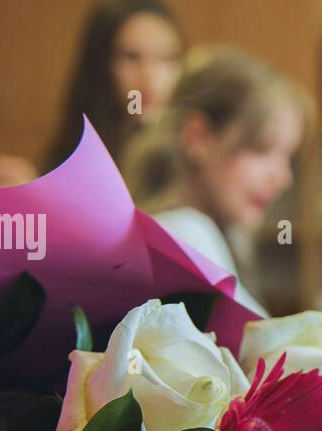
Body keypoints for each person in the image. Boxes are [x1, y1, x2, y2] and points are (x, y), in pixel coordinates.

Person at [123, 46, 312, 317]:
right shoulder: (186, 232)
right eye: (261, 150)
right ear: (198, 136)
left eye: (287, 158)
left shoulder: (201, 234)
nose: (283, 178)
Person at [0, 0, 184, 186]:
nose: (150, 76)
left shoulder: (189, 152)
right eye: (131, 57)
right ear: (100, 65)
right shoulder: (80, 150)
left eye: (167, 59)